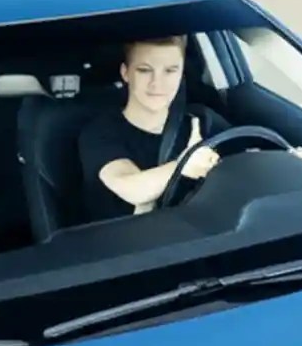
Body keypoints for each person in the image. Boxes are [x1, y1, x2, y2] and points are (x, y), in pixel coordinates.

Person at [78, 35, 231, 223]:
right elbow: (130, 187)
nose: (157, 83)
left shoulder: (203, 123)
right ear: (125, 73)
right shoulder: (99, 133)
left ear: (181, 74)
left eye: (170, 71)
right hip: (130, 246)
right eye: (144, 70)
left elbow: (249, 166)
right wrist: (183, 165)